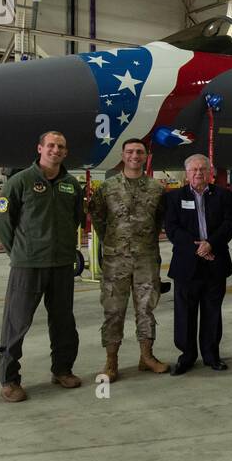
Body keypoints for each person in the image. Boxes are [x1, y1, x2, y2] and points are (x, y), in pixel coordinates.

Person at [0, 131, 85, 402]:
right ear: (40, 148)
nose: (56, 150)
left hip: (62, 265)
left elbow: (76, 218)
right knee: (16, 323)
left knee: (64, 321)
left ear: (65, 153)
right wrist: (20, 251)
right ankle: (9, 380)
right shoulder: (20, 181)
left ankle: (62, 369)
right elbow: (2, 221)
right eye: (51, 145)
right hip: (28, 266)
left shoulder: (71, 184)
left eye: (61, 147)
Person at [87, 138, 169, 381]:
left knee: (146, 309)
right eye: (130, 152)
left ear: (146, 157)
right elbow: (98, 218)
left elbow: (159, 221)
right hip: (116, 260)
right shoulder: (107, 188)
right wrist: (115, 242)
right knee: (113, 310)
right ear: (123, 156)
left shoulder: (156, 189)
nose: (135, 155)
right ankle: (111, 362)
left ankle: (147, 357)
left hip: (146, 258)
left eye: (140, 152)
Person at [164, 154, 232, 374]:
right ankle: (186, 356)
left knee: (212, 311)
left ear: (210, 172)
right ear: (187, 173)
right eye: (194, 170)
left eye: (203, 169)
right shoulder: (175, 197)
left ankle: (211, 354)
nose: (198, 173)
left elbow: (229, 223)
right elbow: (172, 228)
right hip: (186, 265)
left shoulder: (223, 195)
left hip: (215, 262)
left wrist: (210, 244)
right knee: (185, 313)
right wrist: (197, 247)